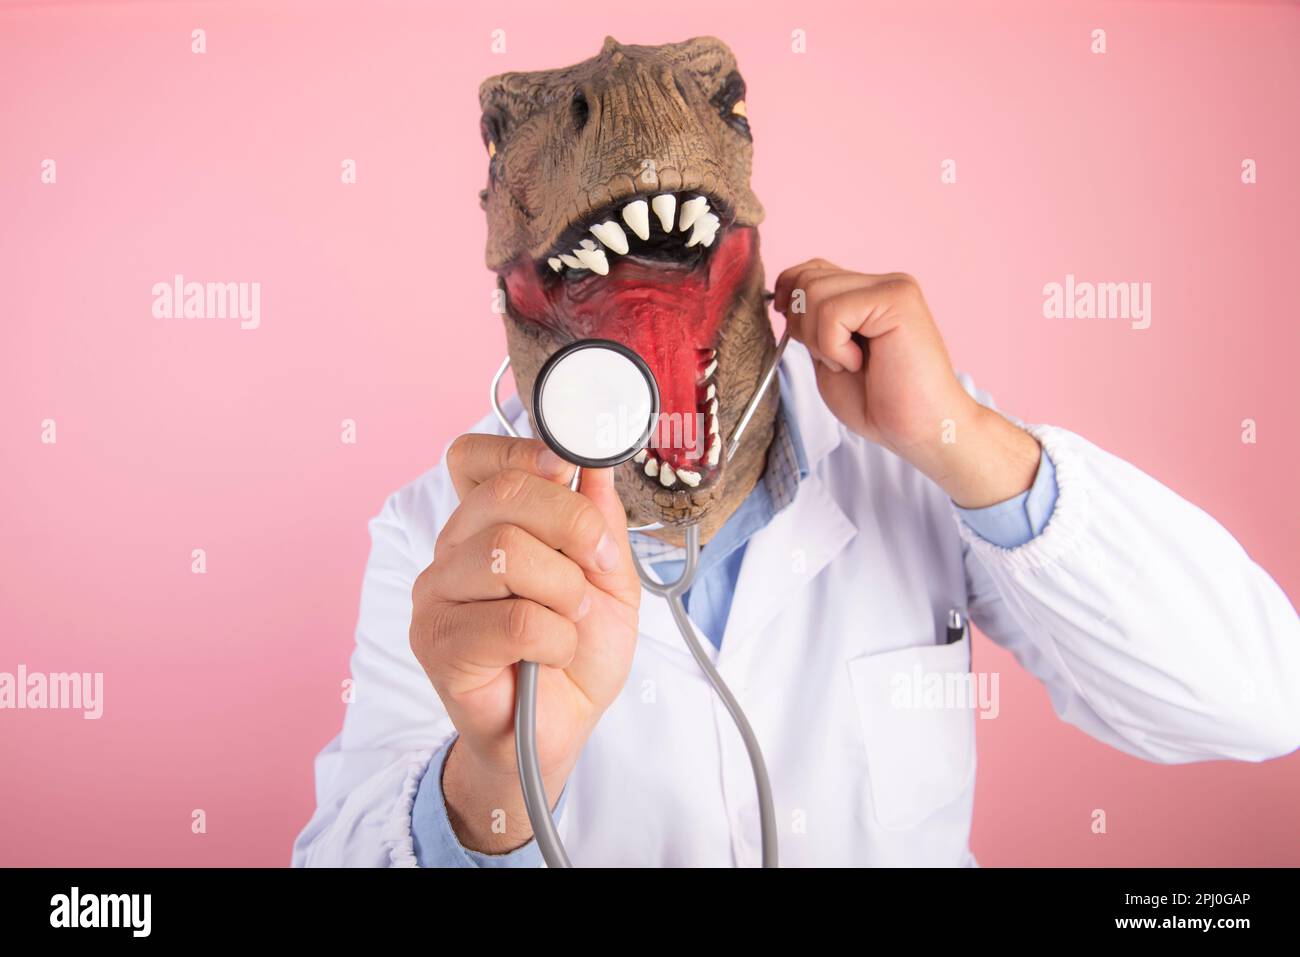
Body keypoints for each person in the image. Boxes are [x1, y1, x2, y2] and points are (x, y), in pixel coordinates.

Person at [292, 261, 1300, 868]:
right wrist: (506, 772)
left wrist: (962, 438)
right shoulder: (441, 531)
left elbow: (1258, 700)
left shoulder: (906, 452)